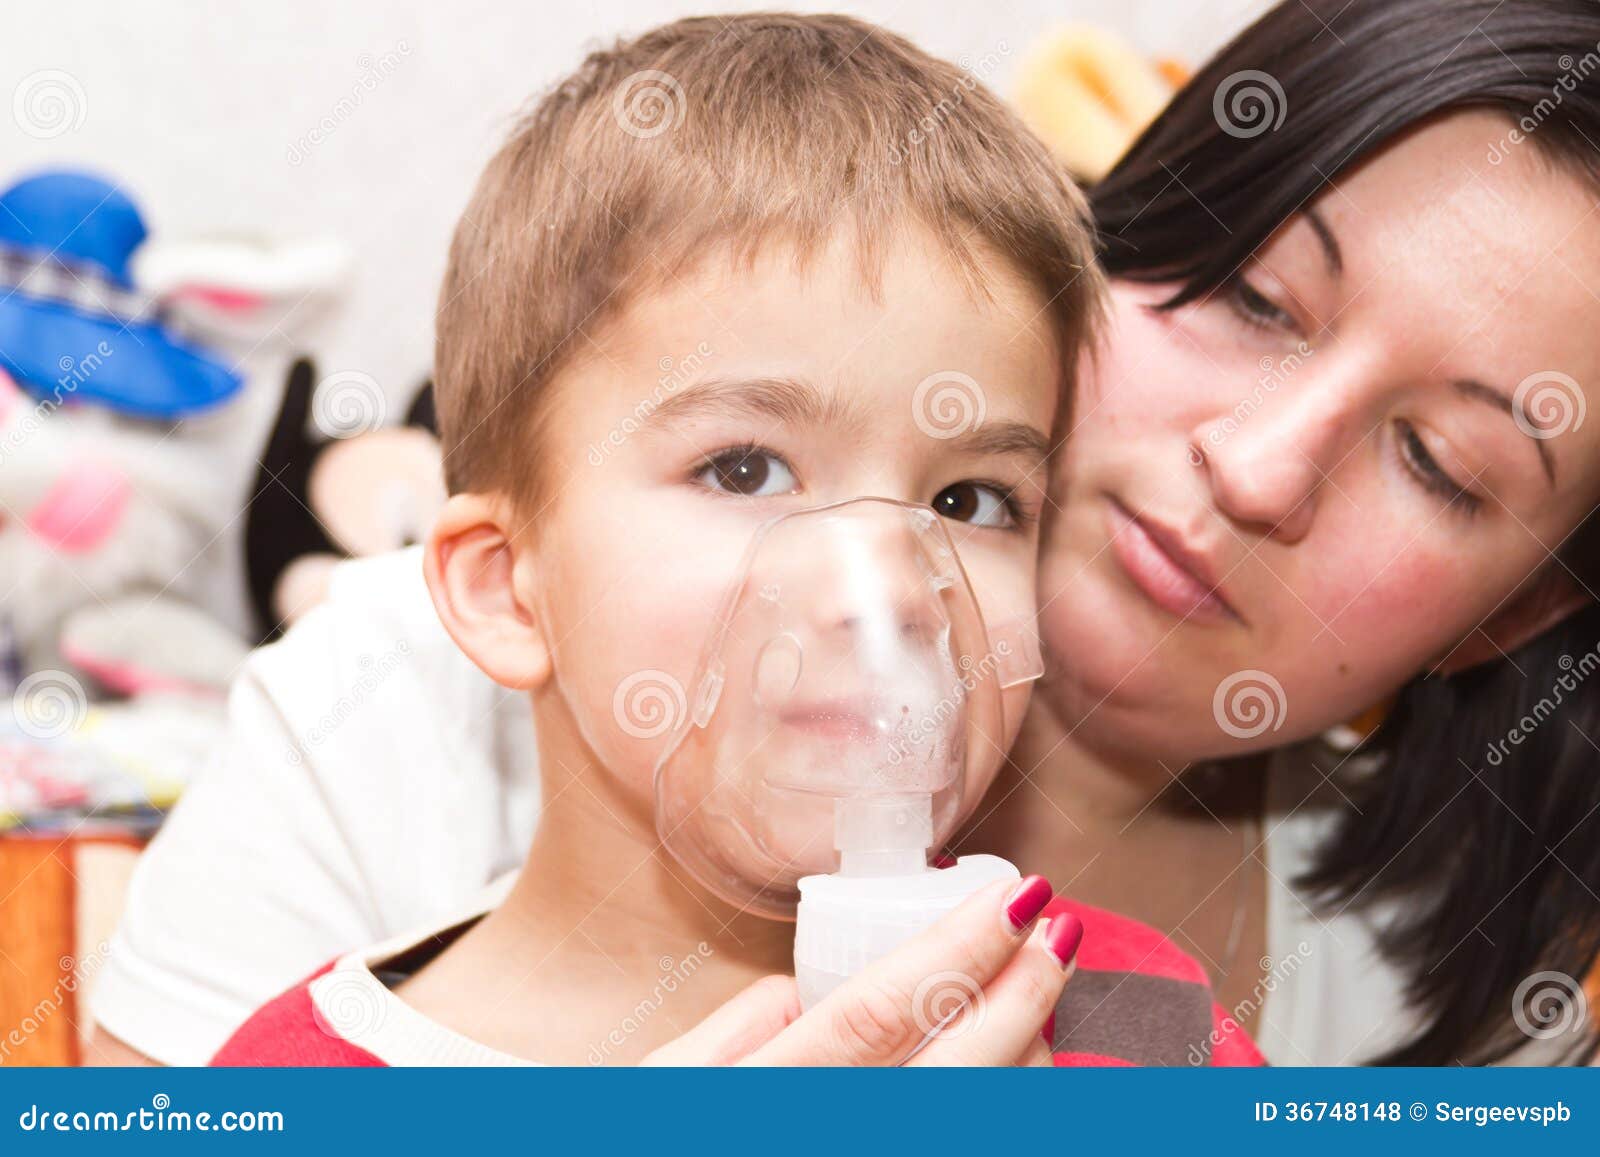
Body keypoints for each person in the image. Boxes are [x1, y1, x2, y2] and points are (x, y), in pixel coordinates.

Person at [92, 0, 1600, 1067]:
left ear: (1515, 619)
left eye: (1442, 460)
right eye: (1259, 299)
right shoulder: (317, 983)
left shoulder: (1152, 1022)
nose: (1262, 466)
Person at [205, 11, 1190, 1067]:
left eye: (970, 500)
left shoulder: (1140, 1026)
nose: (891, 587)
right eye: (744, 468)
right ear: (506, 590)